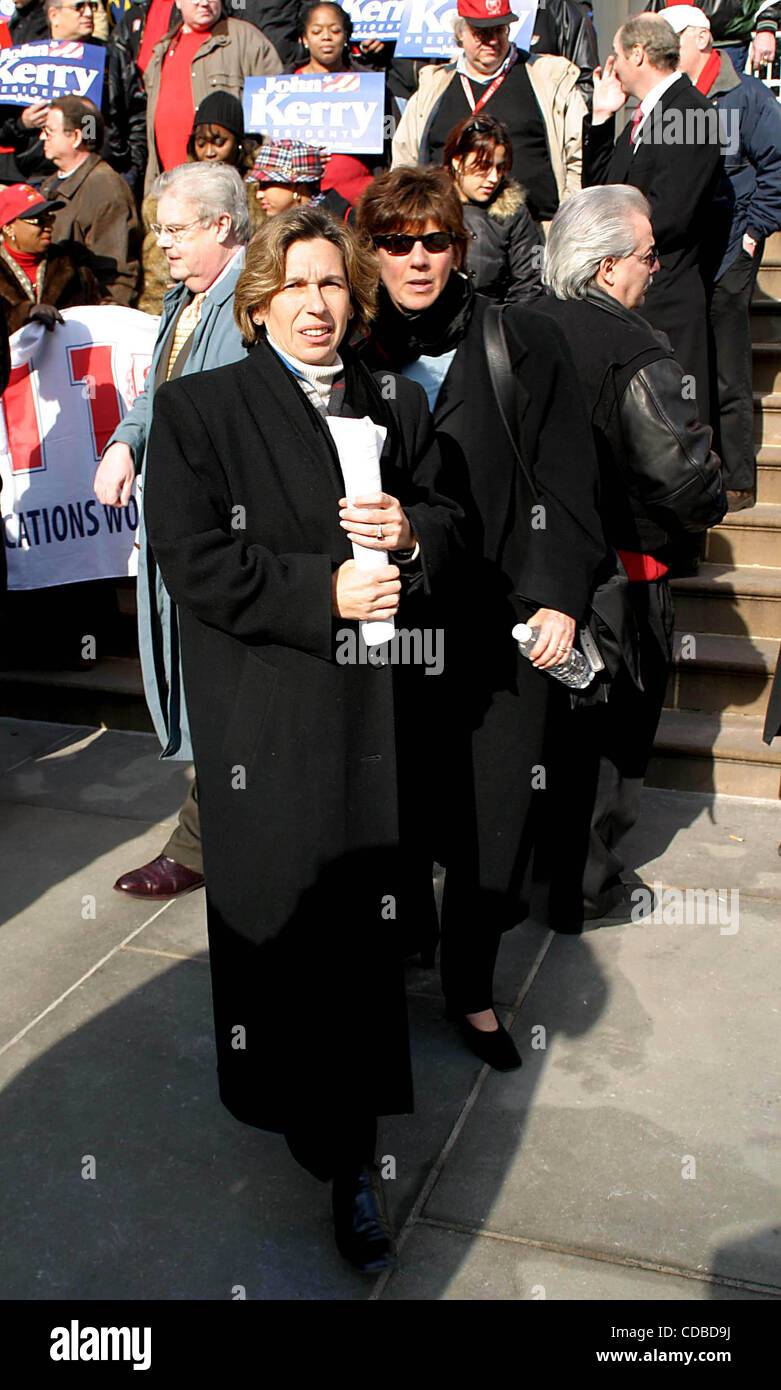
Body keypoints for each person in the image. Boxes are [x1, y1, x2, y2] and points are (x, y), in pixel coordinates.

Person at [142, 205, 465, 1271]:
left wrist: (415, 533)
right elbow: (191, 560)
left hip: (384, 712)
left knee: (366, 952)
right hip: (274, 723)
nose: (318, 305)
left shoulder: (395, 401)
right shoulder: (201, 409)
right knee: (292, 932)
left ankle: (352, 1163)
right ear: (259, 301)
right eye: (296, 287)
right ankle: (313, 1121)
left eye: (333, 285)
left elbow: (454, 516)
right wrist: (316, 587)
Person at [356, 166, 604, 1068]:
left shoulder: (521, 340)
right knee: (396, 806)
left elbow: (571, 482)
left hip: (502, 627)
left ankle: (470, 987)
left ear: (460, 246)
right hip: (388, 626)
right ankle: (402, 940)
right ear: (370, 252)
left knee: (492, 817)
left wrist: (563, 602)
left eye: (433, 240)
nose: (416, 259)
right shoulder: (350, 353)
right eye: (395, 242)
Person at [534, 185, 726, 922]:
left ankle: (525, 869)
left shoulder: (513, 325)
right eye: (648, 257)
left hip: (530, 574)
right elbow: (680, 478)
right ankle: (584, 888)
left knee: (545, 736)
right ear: (608, 266)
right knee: (607, 744)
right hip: (617, 581)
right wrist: (710, 487)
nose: (657, 270)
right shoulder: (636, 350)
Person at [93, 163, 250, 900]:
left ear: (223, 226)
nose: (163, 245)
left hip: (227, 538)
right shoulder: (187, 299)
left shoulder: (254, 301)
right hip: (183, 530)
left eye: (177, 230)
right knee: (201, 688)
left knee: (222, 693)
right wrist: (127, 440)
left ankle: (203, 842)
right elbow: (162, 392)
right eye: (159, 231)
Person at [666, 4, 781, 511]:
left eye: (673, 41)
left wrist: (756, 232)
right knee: (691, 361)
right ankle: (699, 468)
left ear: (701, 40)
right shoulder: (671, 101)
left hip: (735, 247)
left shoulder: (747, 96)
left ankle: (738, 478)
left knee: (729, 364)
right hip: (687, 252)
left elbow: (777, 168)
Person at [584, 13, 724, 427]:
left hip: (668, 297)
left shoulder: (690, 113)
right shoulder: (641, 116)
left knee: (677, 421)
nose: (614, 66)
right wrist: (602, 119)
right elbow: (600, 194)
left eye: (617, 55)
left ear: (638, 54)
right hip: (631, 295)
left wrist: (613, 241)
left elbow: (673, 211)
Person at [392, 0, 587, 227]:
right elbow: (404, 161)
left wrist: (567, 224)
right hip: (446, 235)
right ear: (461, 32)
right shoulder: (432, 87)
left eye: (499, 29)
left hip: (536, 234)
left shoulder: (551, 79)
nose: (492, 40)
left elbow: (578, 156)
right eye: (481, 32)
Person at [142, 0, 282, 194]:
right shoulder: (161, 49)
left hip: (227, 192)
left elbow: (277, 119)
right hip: (172, 189)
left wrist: (257, 174)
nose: (205, 3)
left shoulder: (247, 41)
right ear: (178, 3)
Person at [291, 2, 395, 206]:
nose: (326, 37)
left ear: (346, 37)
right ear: (304, 38)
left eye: (335, 30)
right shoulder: (284, 84)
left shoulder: (370, 85)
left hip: (359, 201)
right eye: (316, 31)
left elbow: (390, 132)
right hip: (299, 200)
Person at [40, 97, 141, 306]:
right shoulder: (50, 184)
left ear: (76, 137)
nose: (42, 137)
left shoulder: (106, 190)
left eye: (49, 131)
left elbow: (117, 276)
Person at [443, 113, 543, 303]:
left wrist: (505, 326)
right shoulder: (430, 206)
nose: (493, 177)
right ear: (457, 161)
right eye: (483, 166)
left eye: (500, 167)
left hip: (493, 321)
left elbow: (529, 283)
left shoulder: (515, 213)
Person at [0, 182, 100, 333]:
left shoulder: (71, 266)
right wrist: (24, 313)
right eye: (38, 221)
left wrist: (111, 309)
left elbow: (94, 308)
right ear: (9, 227)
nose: (48, 227)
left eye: (49, 219)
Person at [247, 139, 351, 221]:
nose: (259, 195)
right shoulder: (282, 225)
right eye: (260, 185)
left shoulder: (344, 223)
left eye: (266, 185)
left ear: (298, 186)